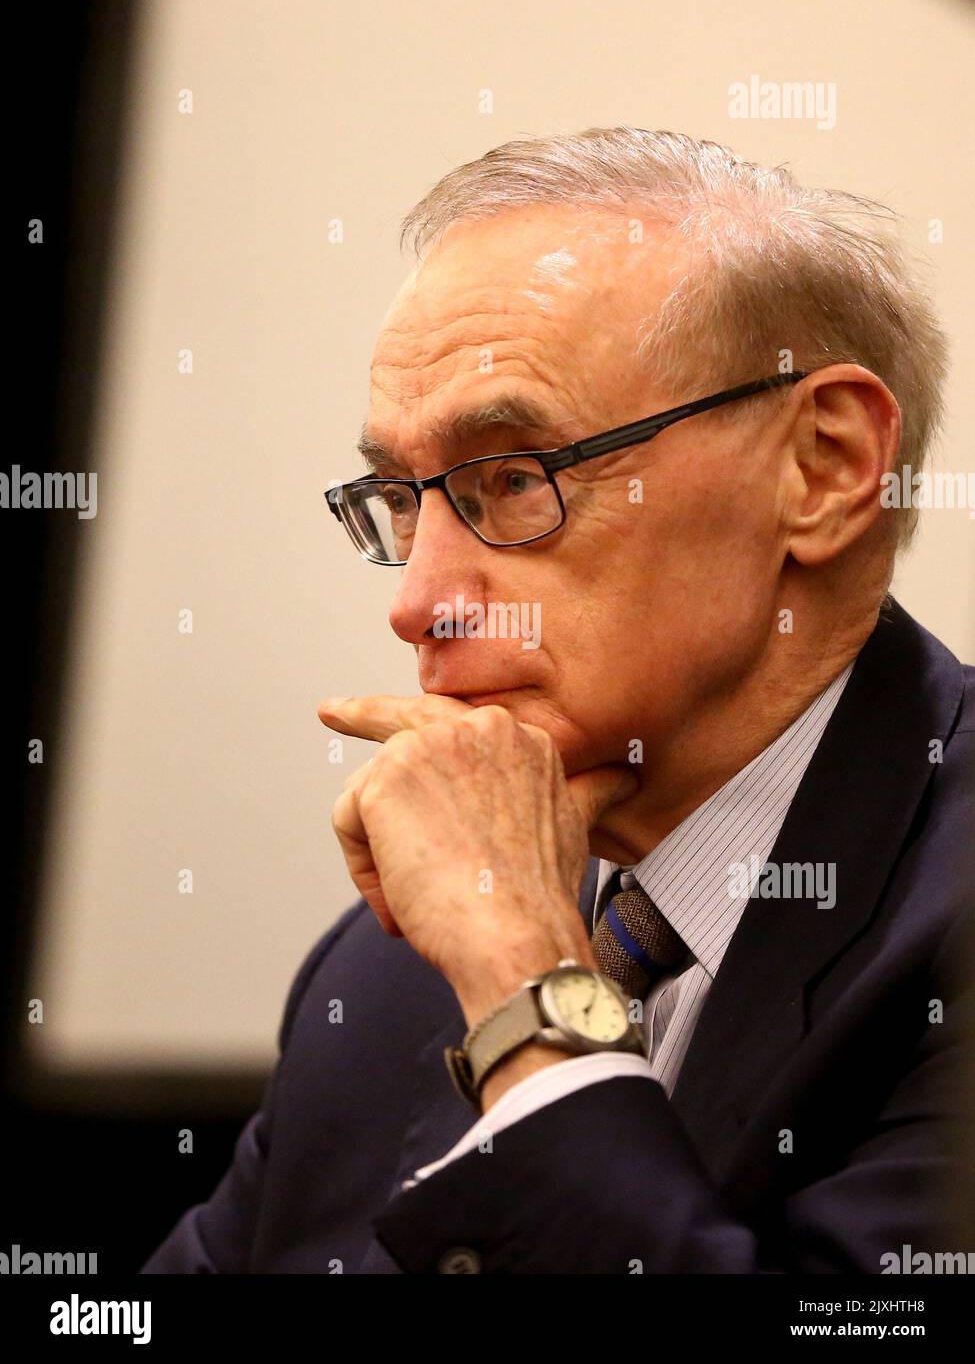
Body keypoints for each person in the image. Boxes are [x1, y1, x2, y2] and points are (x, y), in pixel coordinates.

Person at [141, 127, 974, 1274]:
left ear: (822, 466)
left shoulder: (486, 944)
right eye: (400, 498)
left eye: (516, 477)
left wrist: (525, 988)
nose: (420, 602)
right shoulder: (380, 977)